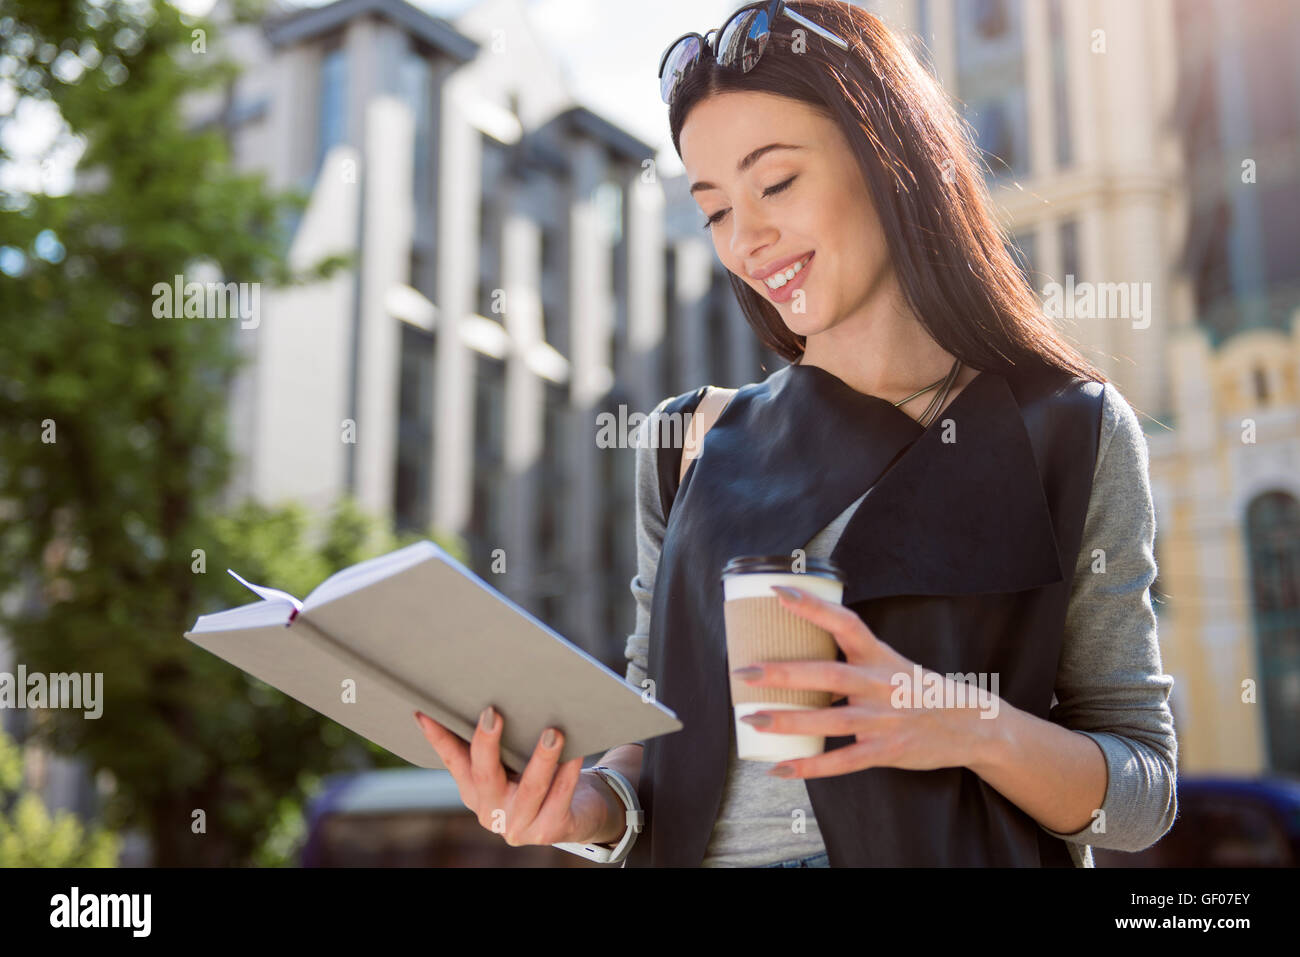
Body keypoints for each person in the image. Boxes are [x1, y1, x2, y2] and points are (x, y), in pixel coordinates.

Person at [415, 0, 1177, 867]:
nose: (748, 239)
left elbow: (1142, 790)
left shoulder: (1070, 431)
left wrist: (968, 723)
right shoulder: (686, 441)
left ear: (887, 156)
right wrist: (580, 806)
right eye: (714, 211)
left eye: (775, 183)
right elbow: (653, 731)